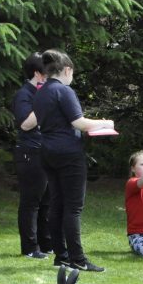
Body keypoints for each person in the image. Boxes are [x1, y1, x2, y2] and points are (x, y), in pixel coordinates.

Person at [30, 49, 112, 271]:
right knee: (73, 207)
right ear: (67, 70)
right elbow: (79, 123)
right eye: (72, 74)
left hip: (46, 151)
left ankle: (62, 256)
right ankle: (78, 259)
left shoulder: (40, 92)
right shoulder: (64, 91)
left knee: (57, 203)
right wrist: (106, 123)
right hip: (68, 154)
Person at [13, 52, 52, 259]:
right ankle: (29, 247)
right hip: (29, 153)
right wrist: (44, 104)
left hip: (45, 151)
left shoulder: (42, 92)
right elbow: (26, 123)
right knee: (31, 202)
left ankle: (46, 244)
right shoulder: (24, 94)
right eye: (47, 71)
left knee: (47, 201)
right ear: (38, 74)